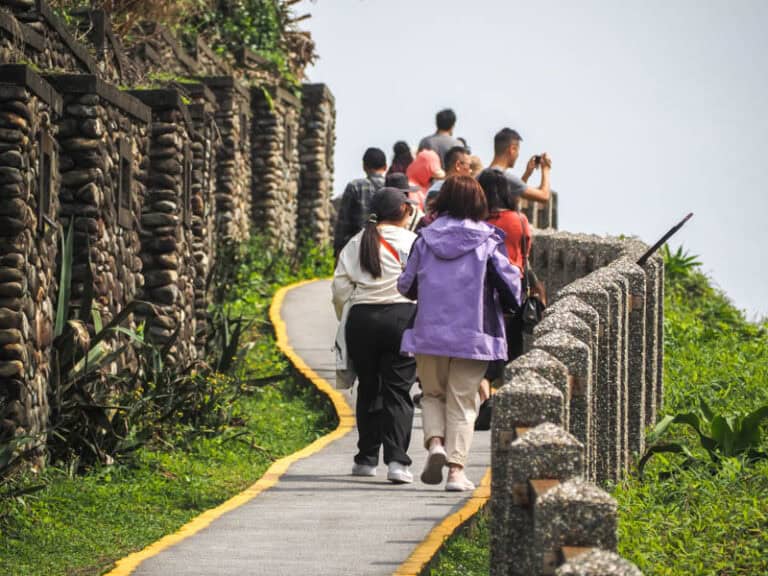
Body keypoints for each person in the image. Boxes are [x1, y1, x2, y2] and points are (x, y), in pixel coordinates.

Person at [397, 176, 521, 491]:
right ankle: (455, 472)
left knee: (432, 394)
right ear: (479, 203)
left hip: (429, 333)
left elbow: (406, 286)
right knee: (463, 401)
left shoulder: (424, 239)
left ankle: (435, 444)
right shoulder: (489, 241)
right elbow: (512, 289)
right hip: (474, 334)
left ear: (444, 201)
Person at [332, 188, 420, 484]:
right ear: (404, 212)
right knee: (398, 391)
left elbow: (341, 288)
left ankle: (366, 459)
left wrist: (345, 315)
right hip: (402, 318)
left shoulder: (357, 241)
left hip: (362, 320)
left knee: (369, 387)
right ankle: (397, 462)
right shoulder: (412, 242)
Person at [477, 168, 532, 399]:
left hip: (482, 290)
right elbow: (526, 252)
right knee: (509, 348)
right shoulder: (519, 220)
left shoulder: (478, 221)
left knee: (483, 349)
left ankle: (485, 395)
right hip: (512, 290)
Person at [334, 147, 387, 257]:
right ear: (385, 166)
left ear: (364, 166)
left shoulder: (355, 186)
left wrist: (338, 249)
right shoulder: (392, 186)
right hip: (386, 247)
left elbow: (343, 222)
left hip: (357, 247)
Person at [488, 128, 552, 204]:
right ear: (512, 149)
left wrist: (527, 174)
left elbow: (515, 198)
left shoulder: (480, 176)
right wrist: (546, 168)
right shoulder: (504, 178)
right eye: (517, 151)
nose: (518, 155)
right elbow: (544, 196)